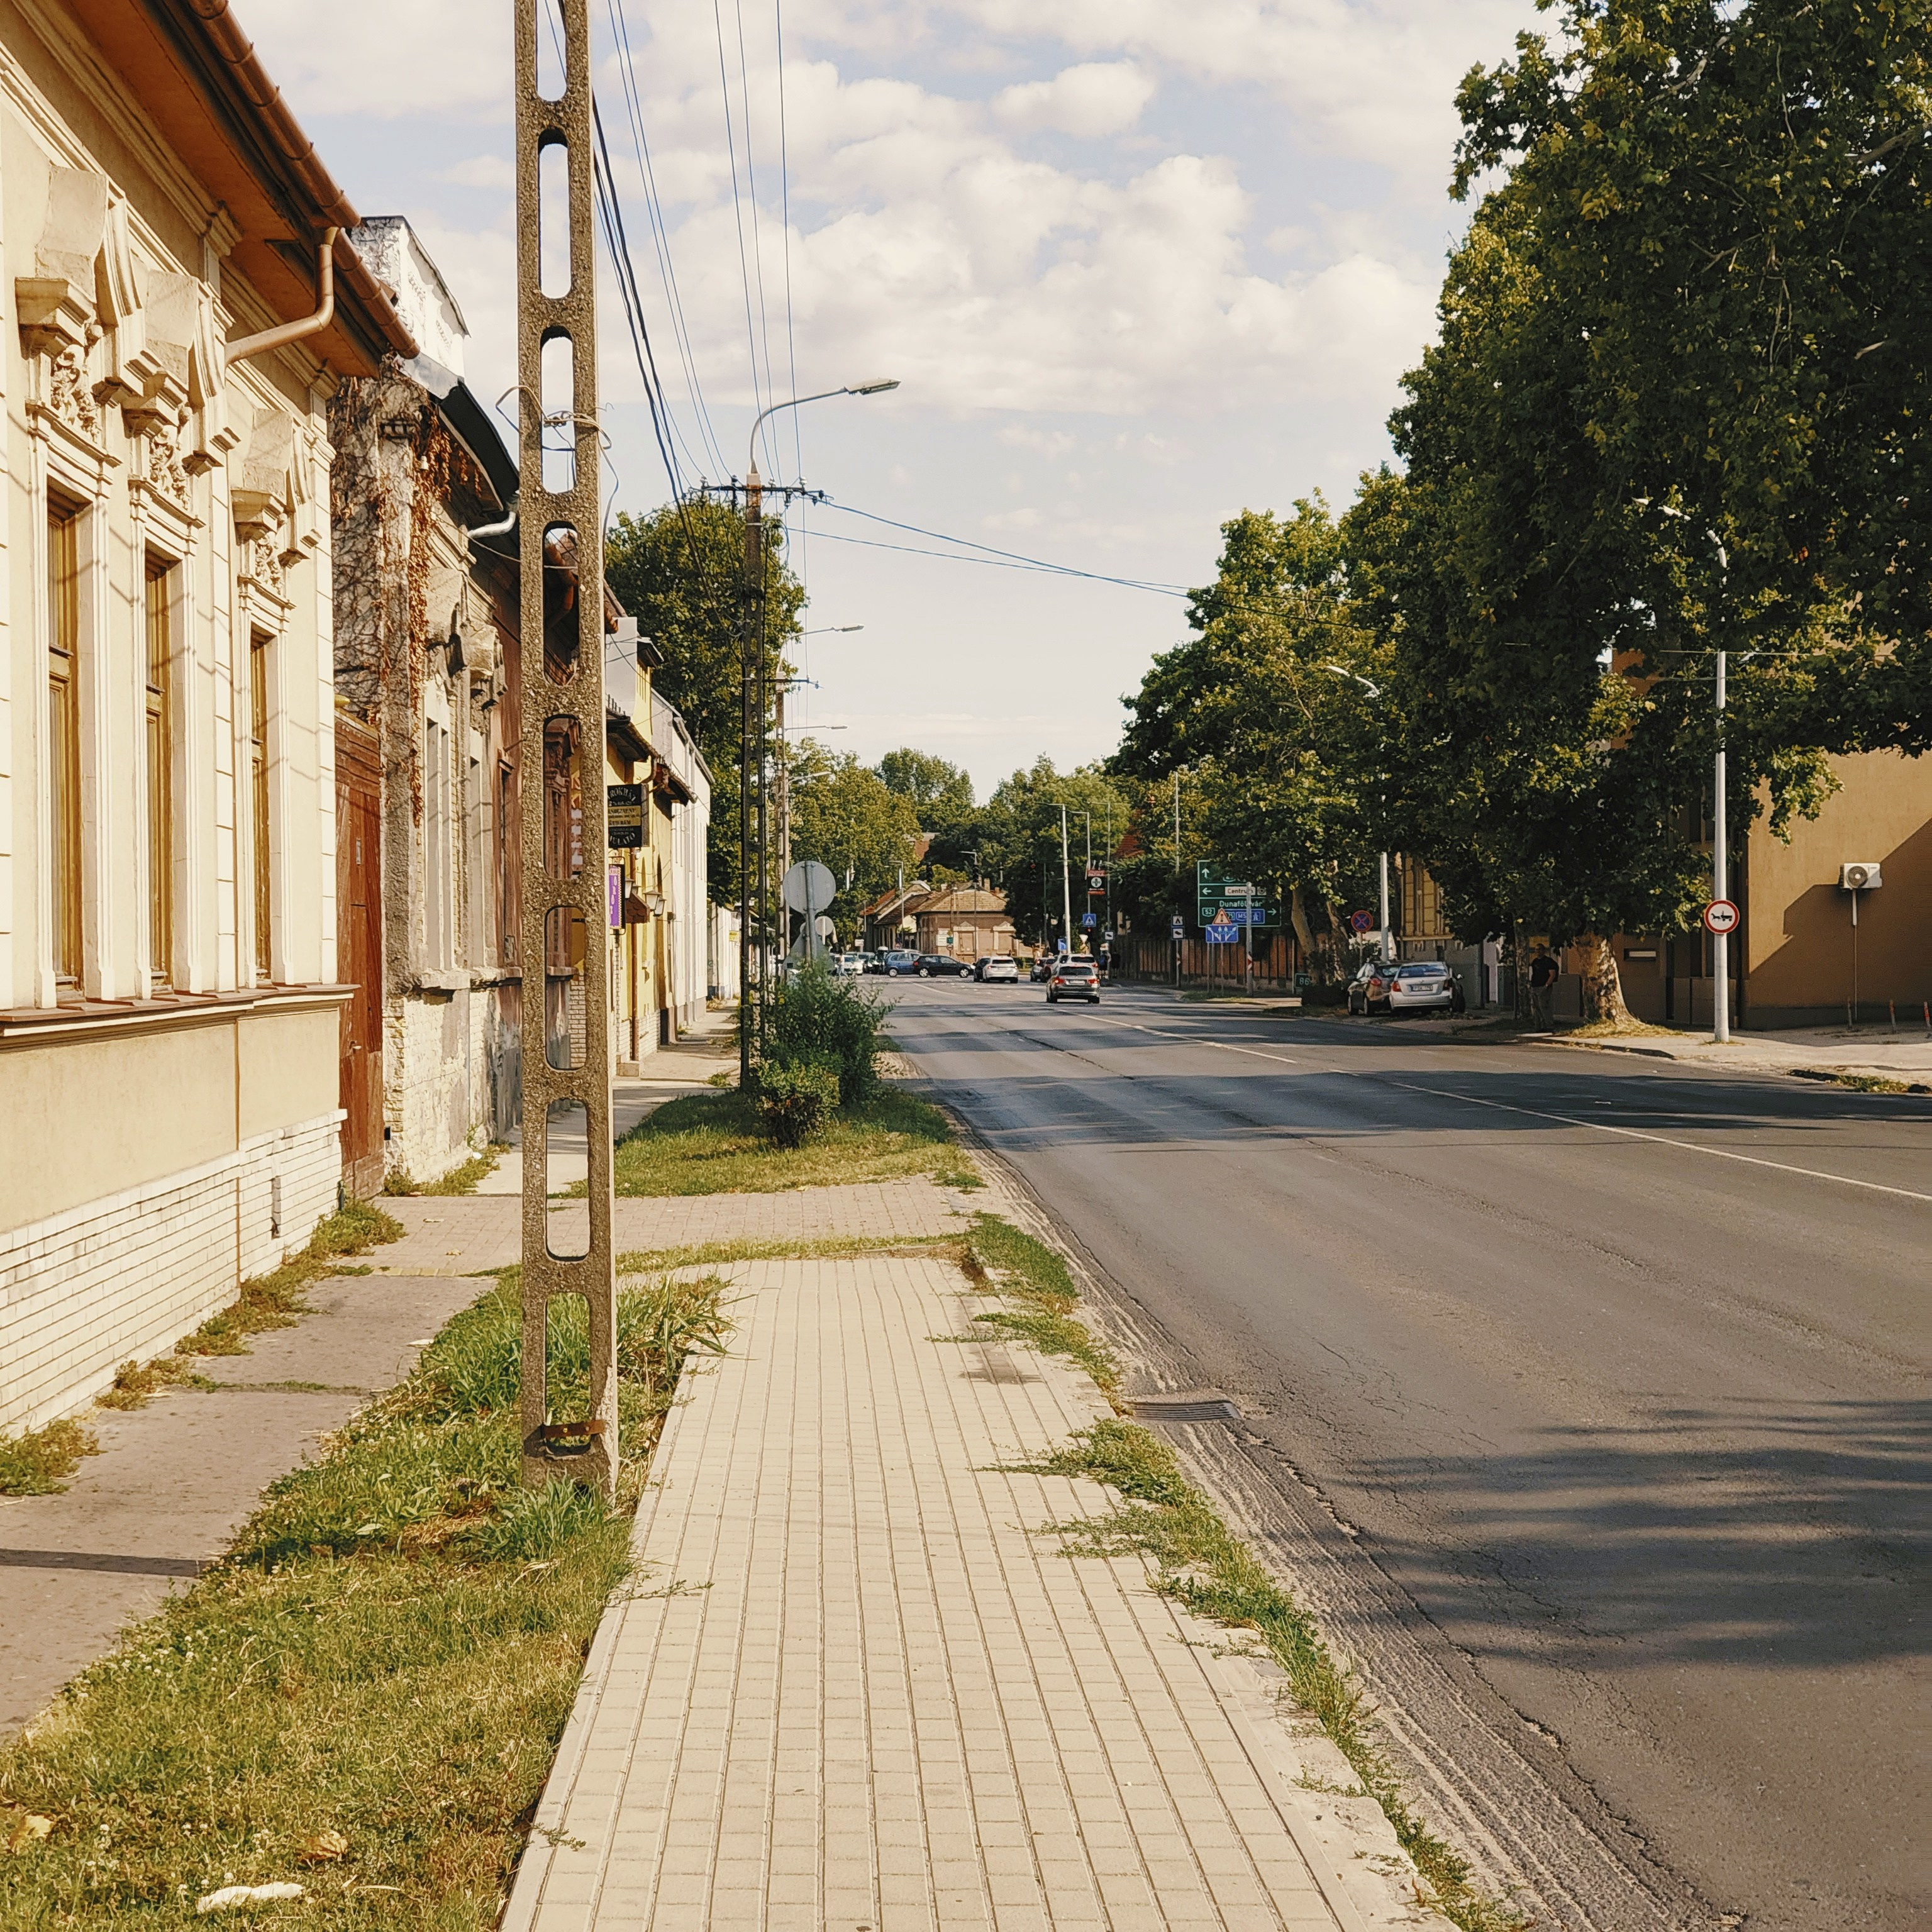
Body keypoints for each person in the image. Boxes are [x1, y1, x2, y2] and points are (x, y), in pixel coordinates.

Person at [1527, 945, 1559, 1030]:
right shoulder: (1535, 962)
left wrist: (1546, 985)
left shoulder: (1548, 961)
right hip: (1535, 987)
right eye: (1536, 950)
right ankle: (1539, 1026)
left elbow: (1552, 975)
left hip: (1544, 988)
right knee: (1536, 1007)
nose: (1538, 951)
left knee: (1544, 1007)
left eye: (1540, 949)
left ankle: (1549, 1025)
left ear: (1544, 951)